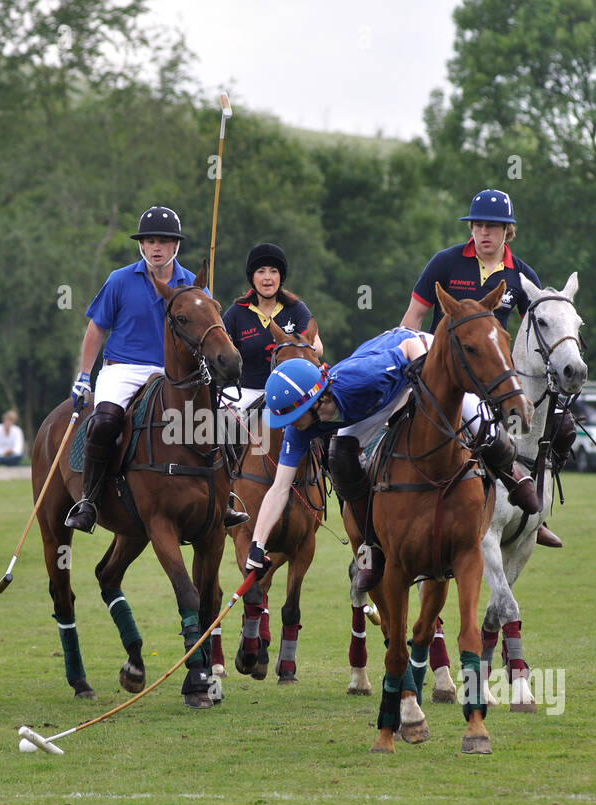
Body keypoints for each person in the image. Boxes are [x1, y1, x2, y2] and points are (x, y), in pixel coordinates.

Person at [245, 329, 540, 593]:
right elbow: (280, 488)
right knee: (341, 456)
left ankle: (514, 476)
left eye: (295, 418)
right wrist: (256, 545)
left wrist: (429, 388)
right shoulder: (301, 430)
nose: (291, 426)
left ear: (316, 400)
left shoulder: (360, 378)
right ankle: (371, 546)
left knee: (481, 428)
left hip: (420, 355)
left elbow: (411, 346)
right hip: (376, 404)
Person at [64, 205, 247, 533]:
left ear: (175, 246)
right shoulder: (119, 280)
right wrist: (83, 376)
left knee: (221, 421)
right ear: (141, 245)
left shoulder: (191, 284)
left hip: (173, 372)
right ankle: (89, 501)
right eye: (150, 241)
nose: (156, 247)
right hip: (123, 369)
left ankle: (226, 496)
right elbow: (96, 329)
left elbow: (208, 328)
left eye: (164, 241)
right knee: (104, 422)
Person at [399, 188, 565, 547]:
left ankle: (534, 516)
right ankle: (377, 521)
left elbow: (535, 330)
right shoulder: (445, 263)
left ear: (509, 230)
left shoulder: (521, 275)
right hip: (442, 377)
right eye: (479, 225)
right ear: (471, 227)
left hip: (493, 380)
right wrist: (410, 363)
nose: (485, 233)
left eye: (494, 226)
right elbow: (412, 319)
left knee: (558, 425)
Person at [220, 242, 322, 410]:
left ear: (281, 276)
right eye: (261, 271)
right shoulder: (236, 313)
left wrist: (293, 347)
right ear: (252, 277)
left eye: (273, 271)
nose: (267, 277)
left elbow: (318, 347)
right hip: (247, 391)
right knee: (223, 418)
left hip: (291, 389)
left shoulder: (296, 308)